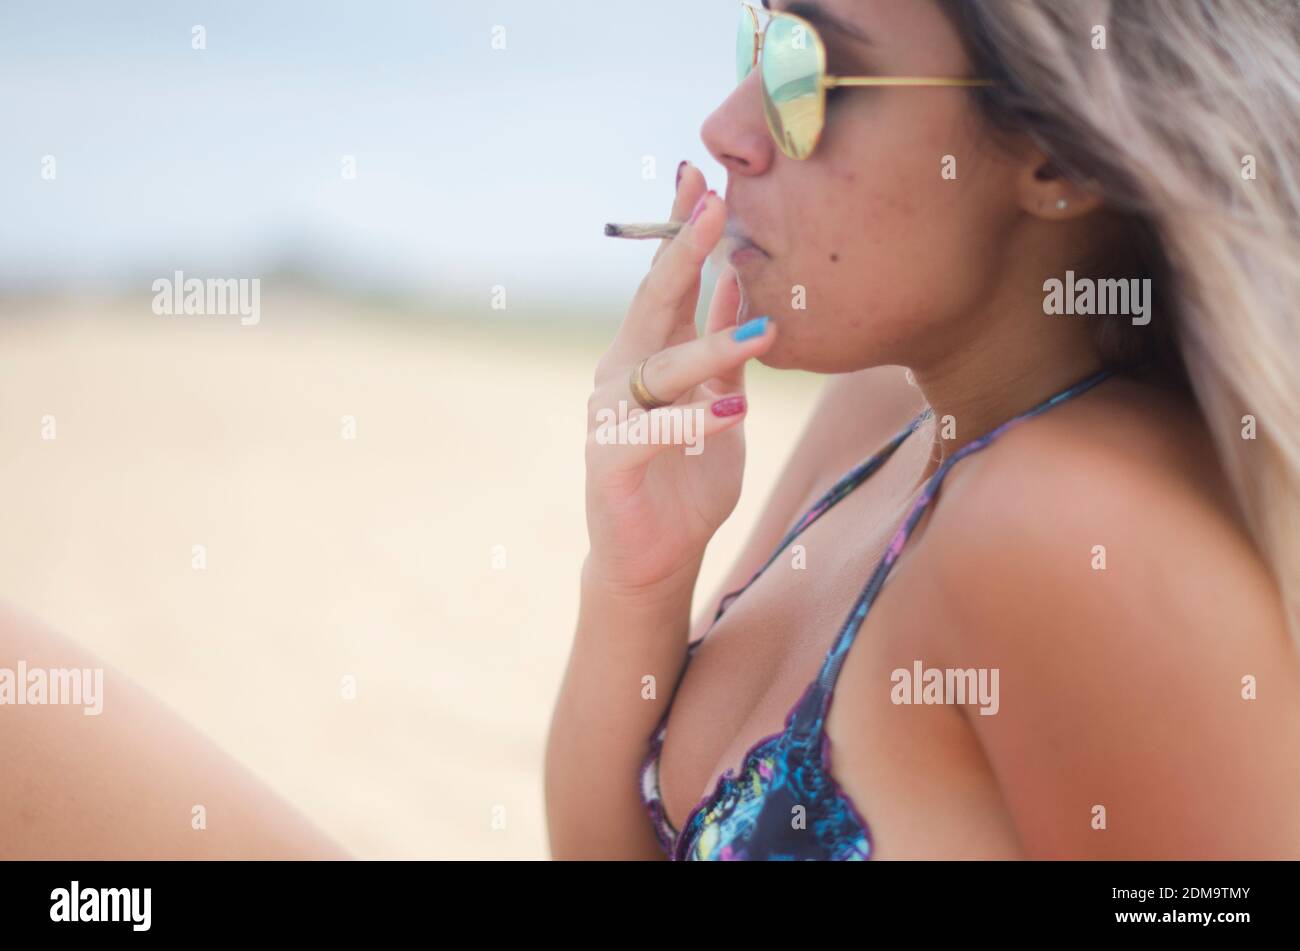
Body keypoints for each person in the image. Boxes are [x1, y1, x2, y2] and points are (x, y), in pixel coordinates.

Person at [545, 0, 1300, 860]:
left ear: (1057, 158)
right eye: (756, 40)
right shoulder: (885, 417)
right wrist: (637, 583)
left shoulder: (1064, 527)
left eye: (810, 67)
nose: (726, 128)